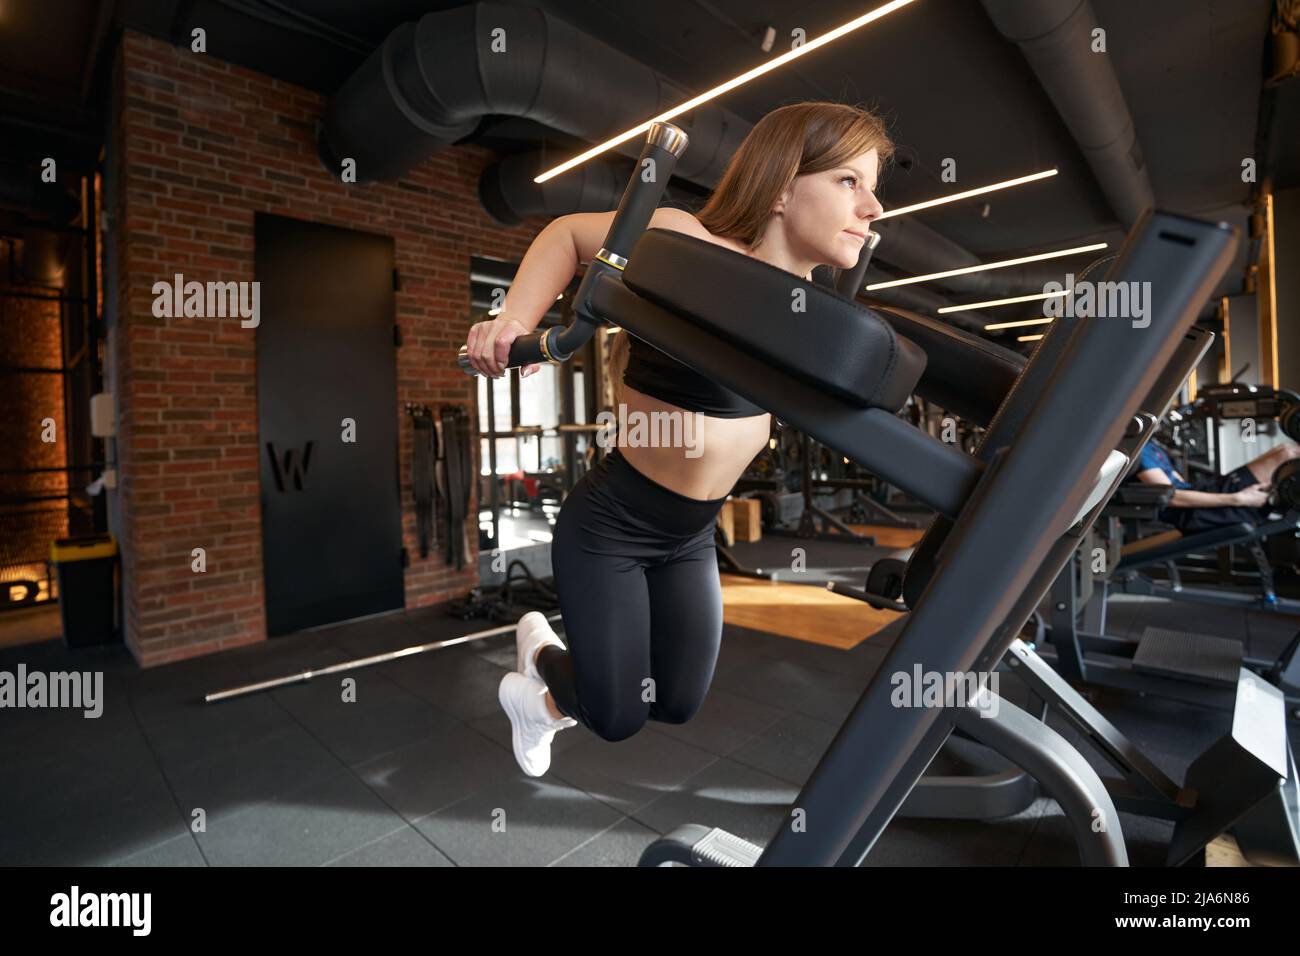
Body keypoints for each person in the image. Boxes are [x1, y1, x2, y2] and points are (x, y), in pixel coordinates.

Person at [462, 101, 891, 775]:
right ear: (781, 186)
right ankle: (539, 646)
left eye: (873, 188)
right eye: (849, 183)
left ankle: (536, 706)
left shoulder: (818, 321)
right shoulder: (682, 241)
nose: (873, 209)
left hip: (691, 536)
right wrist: (514, 319)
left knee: (676, 701)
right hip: (612, 527)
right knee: (616, 715)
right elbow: (570, 238)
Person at [1134, 437, 1299, 534]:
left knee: (1286, 449)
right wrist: (1239, 498)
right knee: (1287, 454)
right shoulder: (1139, 453)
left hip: (1203, 496)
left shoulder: (1148, 443)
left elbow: (1177, 483)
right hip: (1198, 513)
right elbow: (1171, 498)